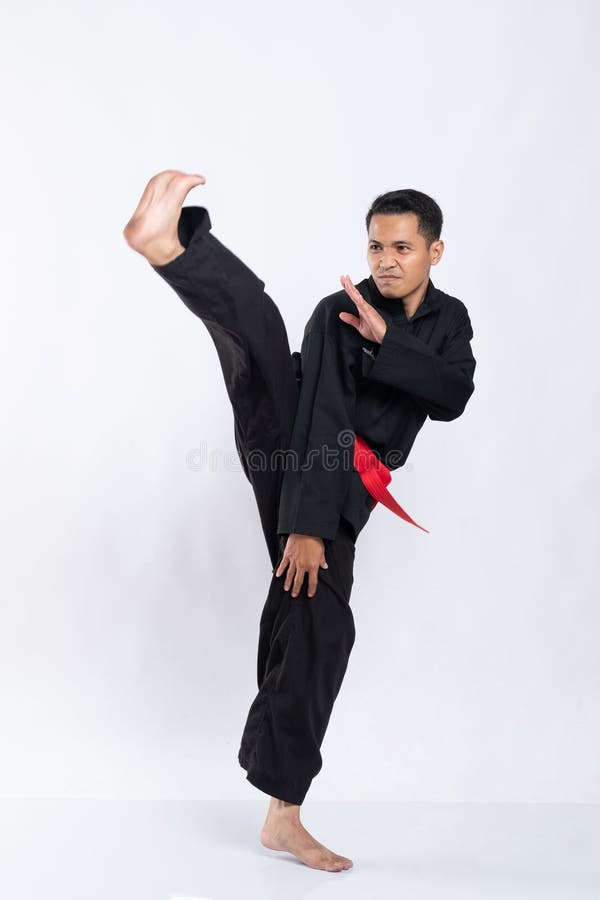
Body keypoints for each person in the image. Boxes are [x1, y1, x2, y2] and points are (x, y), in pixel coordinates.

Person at [122, 170, 476, 873]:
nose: (385, 260)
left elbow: (452, 394)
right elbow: (326, 419)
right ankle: (171, 247)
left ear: (435, 252)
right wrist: (308, 528)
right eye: (376, 245)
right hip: (292, 429)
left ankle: (281, 811)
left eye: (402, 247)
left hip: (348, 473)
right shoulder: (338, 311)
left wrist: (388, 344)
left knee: (310, 614)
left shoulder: (449, 320)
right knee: (260, 331)